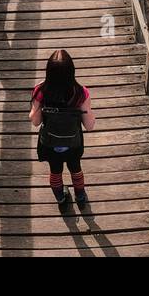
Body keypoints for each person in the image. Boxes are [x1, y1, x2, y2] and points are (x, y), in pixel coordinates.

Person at [29, 49, 95, 210]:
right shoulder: (81, 93)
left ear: (48, 72)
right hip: (73, 143)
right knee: (76, 169)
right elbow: (89, 125)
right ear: (72, 71)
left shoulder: (40, 91)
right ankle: (80, 196)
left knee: (55, 171)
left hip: (50, 143)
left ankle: (61, 199)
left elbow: (35, 122)